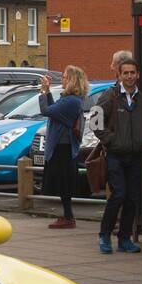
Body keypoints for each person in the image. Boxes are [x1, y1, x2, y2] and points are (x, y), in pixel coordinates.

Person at [91, 57, 142, 254]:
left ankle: (125, 238)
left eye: (132, 72)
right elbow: (95, 122)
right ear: (119, 75)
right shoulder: (110, 96)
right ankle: (104, 235)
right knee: (118, 195)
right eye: (125, 73)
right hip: (115, 155)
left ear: (138, 75)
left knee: (133, 198)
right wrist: (111, 140)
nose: (129, 76)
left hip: (135, 156)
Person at [40, 65, 88, 229]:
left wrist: (44, 91)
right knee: (62, 183)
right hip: (62, 146)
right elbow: (53, 111)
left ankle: (69, 217)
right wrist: (47, 93)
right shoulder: (69, 99)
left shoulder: (71, 101)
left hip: (64, 147)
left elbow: (45, 110)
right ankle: (68, 215)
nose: (62, 79)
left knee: (64, 183)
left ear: (73, 80)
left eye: (65, 77)